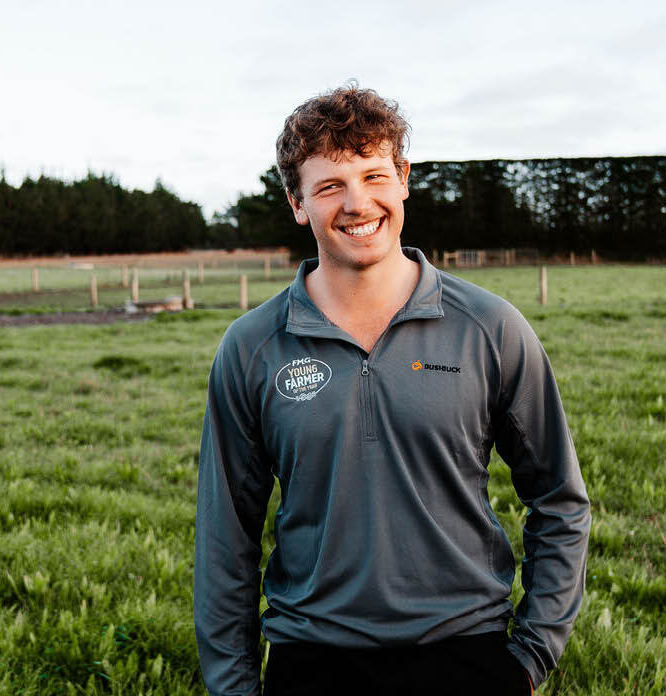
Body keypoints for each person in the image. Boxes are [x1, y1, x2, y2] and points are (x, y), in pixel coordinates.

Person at [194, 84, 591, 696]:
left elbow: (560, 499)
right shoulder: (252, 347)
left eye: (374, 175)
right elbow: (226, 535)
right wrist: (234, 685)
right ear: (298, 203)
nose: (358, 203)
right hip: (312, 660)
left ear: (403, 179)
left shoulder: (490, 327)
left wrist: (530, 655)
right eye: (330, 186)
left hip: (466, 655)